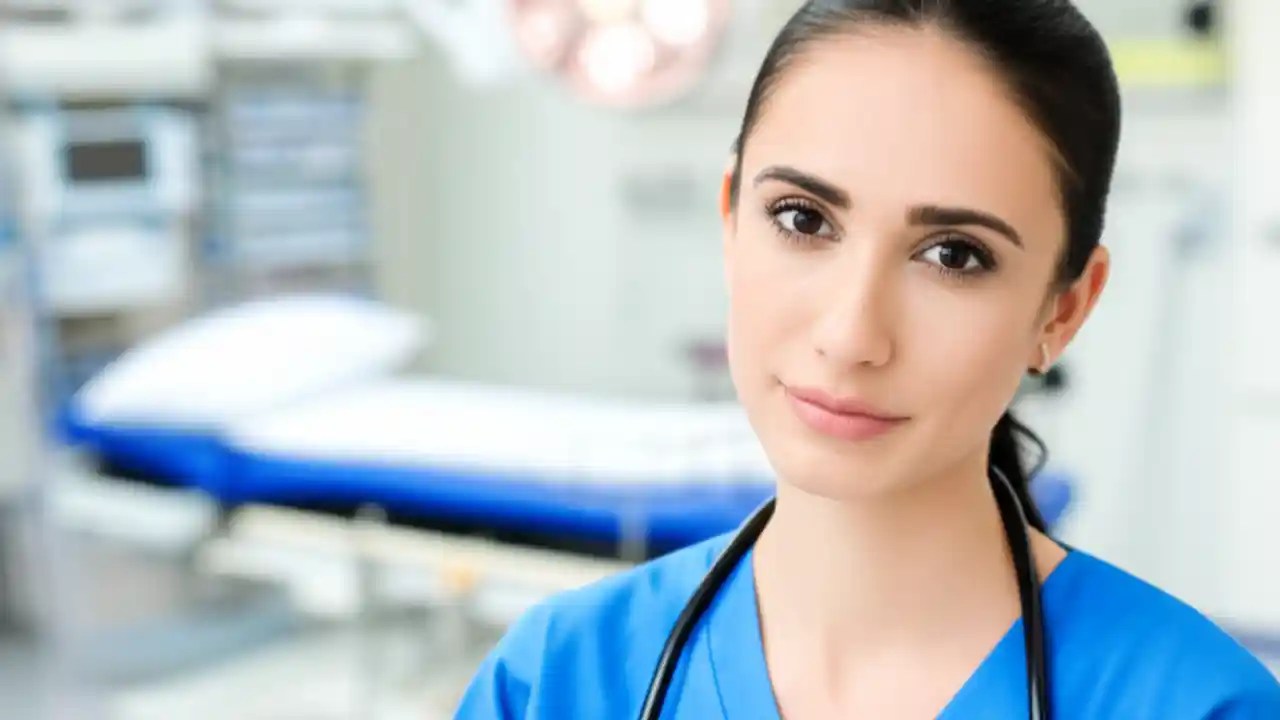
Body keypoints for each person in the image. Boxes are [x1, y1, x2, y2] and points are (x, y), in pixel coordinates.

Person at [455, 1, 1280, 717]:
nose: (851, 334)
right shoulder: (556, 680)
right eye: (803, 219)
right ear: (731, 221)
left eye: (954, 255)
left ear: (1062, 310)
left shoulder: (1199, 704)